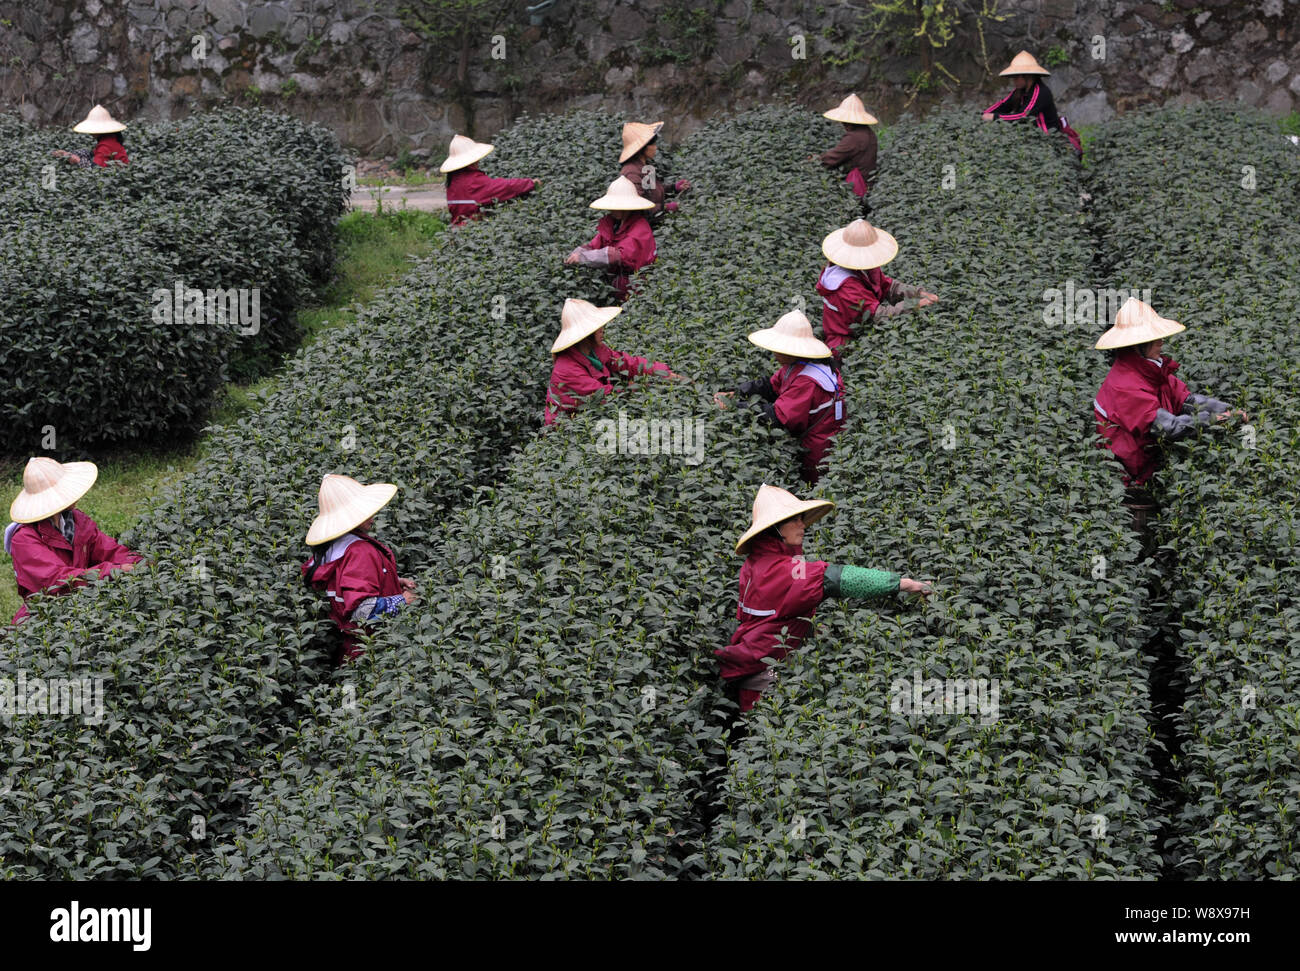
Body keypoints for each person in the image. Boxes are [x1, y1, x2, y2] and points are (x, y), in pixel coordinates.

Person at [716, 484, 932, 713]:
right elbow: (837, 578)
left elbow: (776, 614)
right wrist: (903, 584)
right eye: (795, 519)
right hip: (765, 670)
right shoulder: (780, 570)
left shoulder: (755, 563)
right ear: (775, 528)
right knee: (764, 723)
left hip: (756, 659)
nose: (802, 525)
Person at [1094, 298, 1247, 518]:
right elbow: (1168, 428)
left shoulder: (1150, 371)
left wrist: (1228, 410)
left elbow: (1187, 401)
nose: (1162, 342)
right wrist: (1218, 419)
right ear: (1137, 345)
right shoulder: (1125, 385)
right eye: (1154, 338)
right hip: (1130, 483)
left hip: (1152, 467)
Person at [714, 310, 845, 484]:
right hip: (817, 436)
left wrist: (734, 407)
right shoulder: (800, 364)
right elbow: (770, 386)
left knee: (815, 486)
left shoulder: (807, 381)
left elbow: (779, 416)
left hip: (819, 448)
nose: (773, 352)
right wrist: (737, 393)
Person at [4, 458, 141, 624]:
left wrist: (139, 563)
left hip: (80, 606)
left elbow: (107, 549)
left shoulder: (76, 520)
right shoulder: (24, 539)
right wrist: (112, 572)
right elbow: (55, 581)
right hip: (44, 619)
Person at [302, 473, 418, 665]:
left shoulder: (335, 546)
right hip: (373, 651)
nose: (372, 515)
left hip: (352, 650)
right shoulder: (360, 551)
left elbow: (345, 582)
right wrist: (402, 600)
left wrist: (392, 580)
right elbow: (361, 611)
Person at [545, 298, 681, 424]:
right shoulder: (566, 370)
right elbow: (605, 397)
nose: (602, 329)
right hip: (568, 430)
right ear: (585, 334)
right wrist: (645, 387)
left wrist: (662, 372)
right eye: (597, 327)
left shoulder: (596, 349)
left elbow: (626, 363)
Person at [816, 218, 938, 356]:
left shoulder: (865, 267)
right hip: (846, 345)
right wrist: (914, 304)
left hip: (864, 333)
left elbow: (887, 285)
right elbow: (879, 316)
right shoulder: (845, 287)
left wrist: (918, 294)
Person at [564, 177, 657, 302]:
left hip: (635, 291)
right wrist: (578, 253)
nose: (611, 209)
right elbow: (596, 244)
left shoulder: (640, 228)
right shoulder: (614, 224)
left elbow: (619, 255)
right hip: (617, 287)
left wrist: (583, 258)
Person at [981, 51, 1083, 159]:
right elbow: (1003, 104)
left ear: (1028, 76)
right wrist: (984, 114)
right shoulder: (1019, 91)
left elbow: (1023, 116)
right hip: (1033, 141)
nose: (1014, 80)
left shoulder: (1040, 92)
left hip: (1050, 142)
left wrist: (995, 117)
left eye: (1016, 76)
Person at [440, 134, 537, 227]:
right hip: (472, 231)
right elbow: (506, 187)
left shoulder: (452, 181)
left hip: (455, 231)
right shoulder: (474, 182)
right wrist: (531, 183)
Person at [812, 94, 880, 215]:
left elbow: (833, 158)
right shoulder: (868, 132)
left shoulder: (854, 137)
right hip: (868, 183)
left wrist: (814, 161)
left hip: (859, 187)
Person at [618, 120, 691, 222]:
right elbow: (637, 207)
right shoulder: (632, 173)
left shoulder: (646, 167)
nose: (655, 148)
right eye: (653, 145)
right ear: (643, 148)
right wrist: (665, 208)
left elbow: (652, 193)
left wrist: (674, 188)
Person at [50, 105, 129, 167]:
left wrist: (77, 161)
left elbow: (95, 169)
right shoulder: (110, 139)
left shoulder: (106, 145)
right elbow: (91, 154)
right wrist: (67, 154)